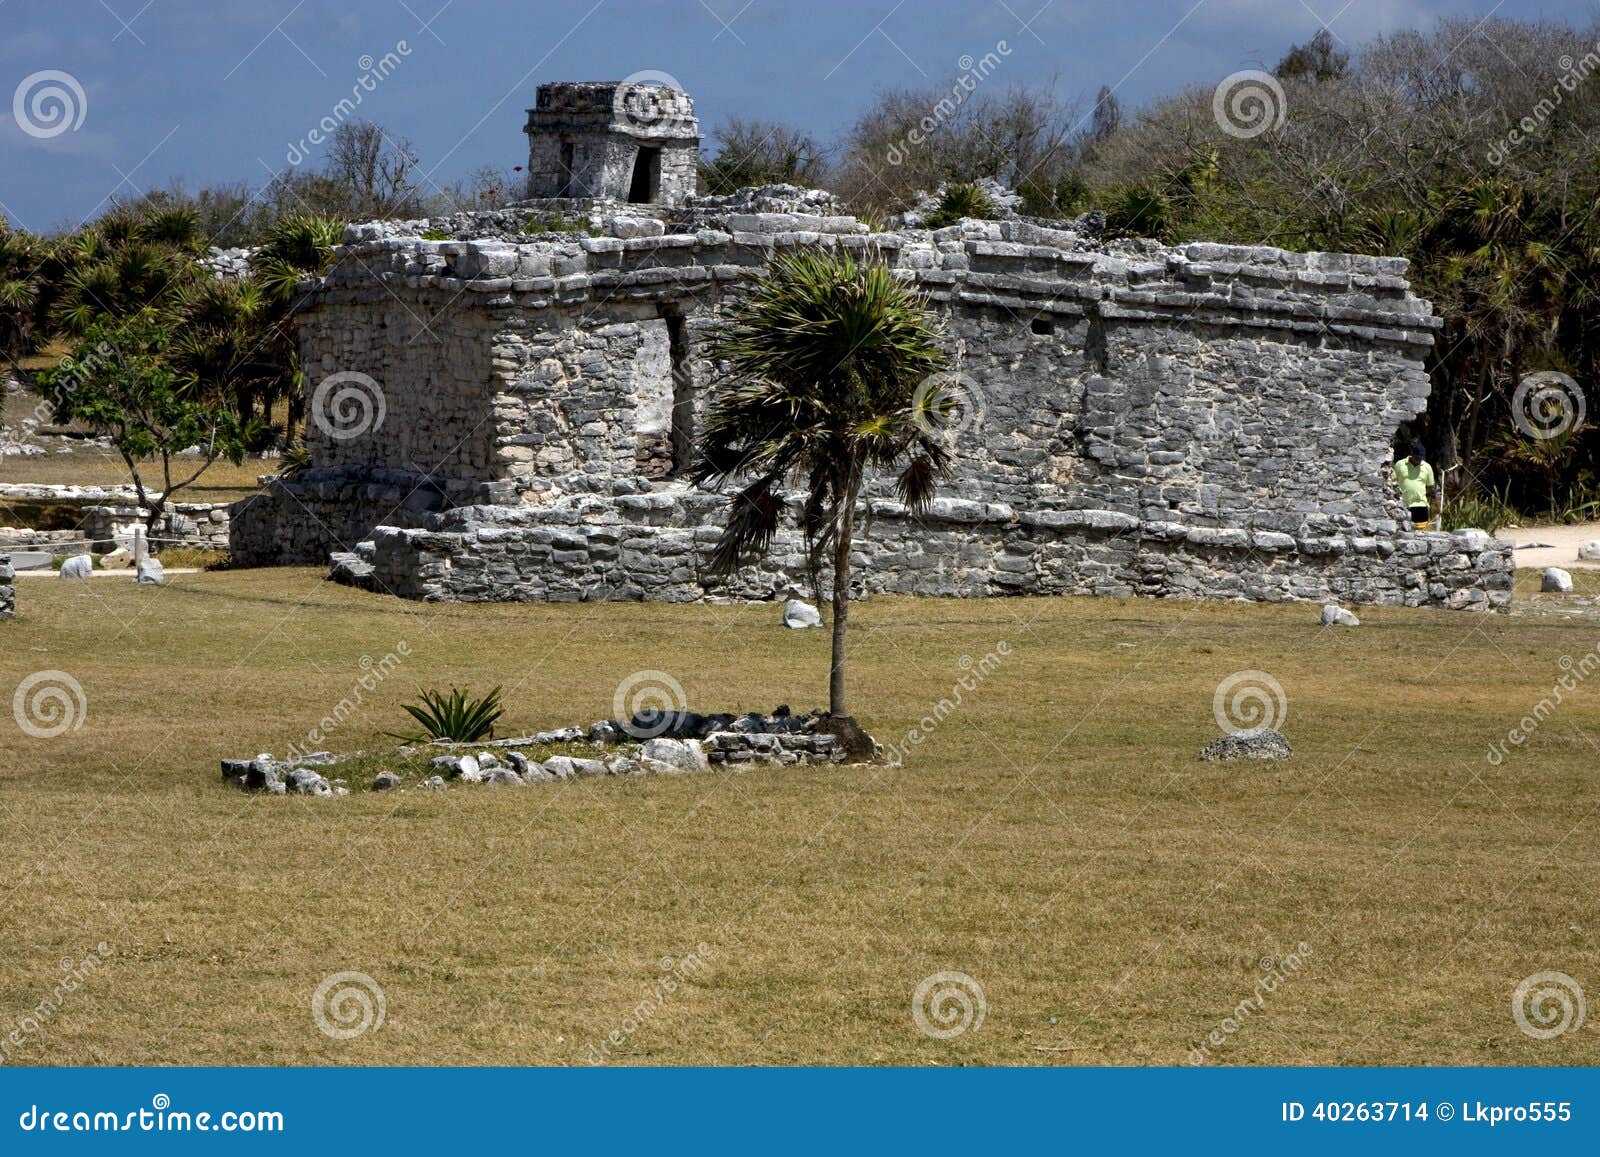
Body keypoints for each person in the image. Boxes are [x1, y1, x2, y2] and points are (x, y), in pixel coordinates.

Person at [1392, 440, 1438, 529]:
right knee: (1403, 532)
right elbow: (1394, 483)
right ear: (1411, 454)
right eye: (1417, 457)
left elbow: (1430, 487)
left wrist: (1433, 502)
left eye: (1421, 458)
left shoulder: (1427, 467)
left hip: (1421, 505)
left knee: (1420, 533)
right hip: (1403, 506)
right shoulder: (1399, 465)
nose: (1419, 460)